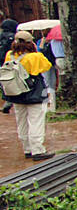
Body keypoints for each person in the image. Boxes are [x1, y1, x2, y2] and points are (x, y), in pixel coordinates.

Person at [2, 31, 54, 160]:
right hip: (34, 92)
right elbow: (46, 66)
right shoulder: (35, 56)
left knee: (22, 122)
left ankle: (27, 148)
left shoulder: (10, 55)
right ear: (30, 43)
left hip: (16, 93)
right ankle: (38, 150)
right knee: (36, 121)